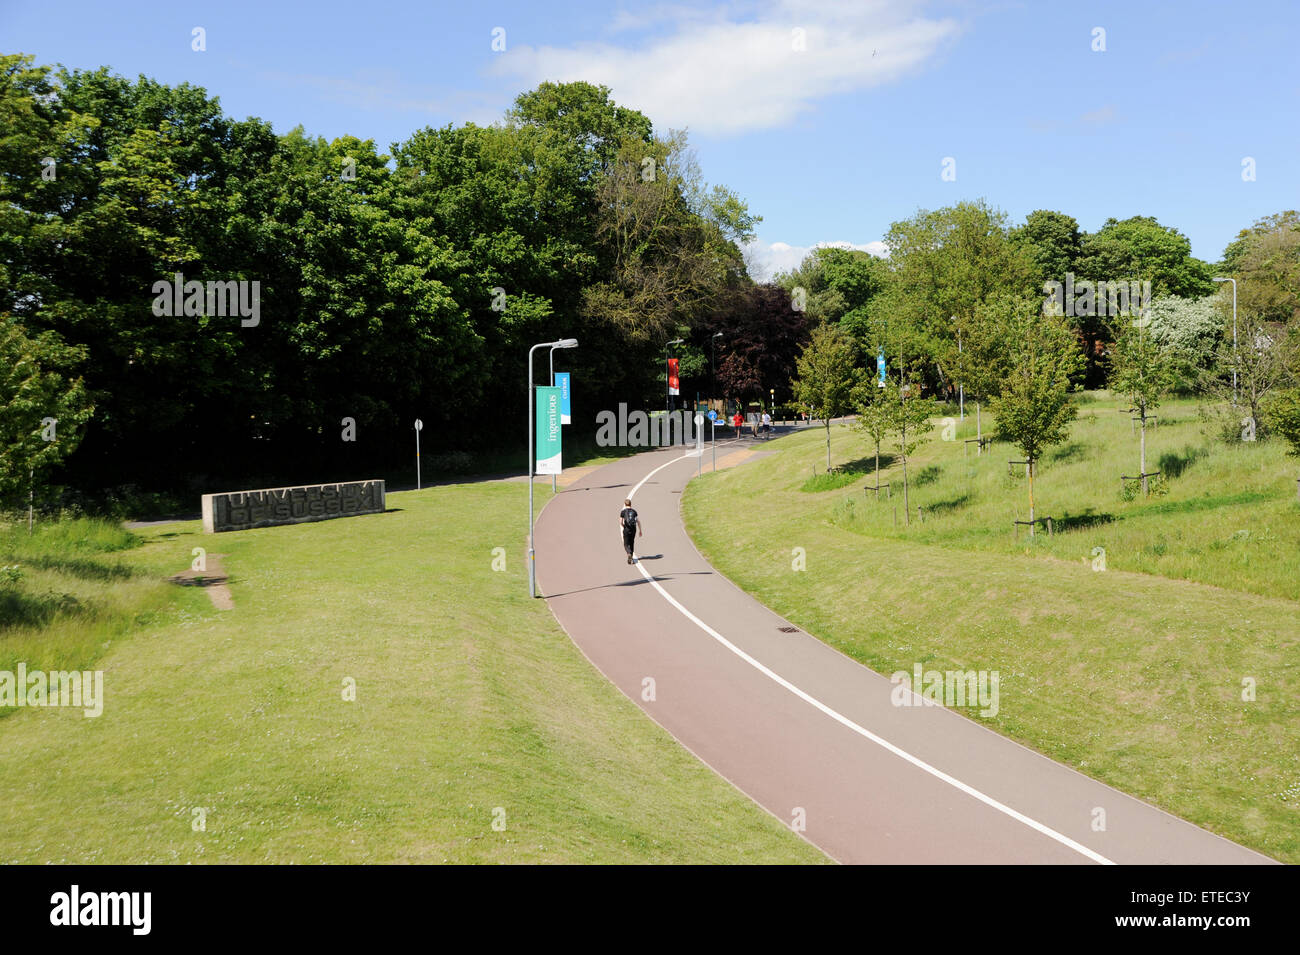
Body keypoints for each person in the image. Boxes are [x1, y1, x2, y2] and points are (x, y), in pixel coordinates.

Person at [618, 498, 642, 564]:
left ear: (625, 504)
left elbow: (620, 522)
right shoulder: (634, 511)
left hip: (626, 529)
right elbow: (638, 521)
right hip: (633, 529)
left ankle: (628, 554)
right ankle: (631, 555)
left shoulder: (623, 512)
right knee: (632, 543)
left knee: (626, 543)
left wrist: (624, 527)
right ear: (630, 504)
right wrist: (640, 530)